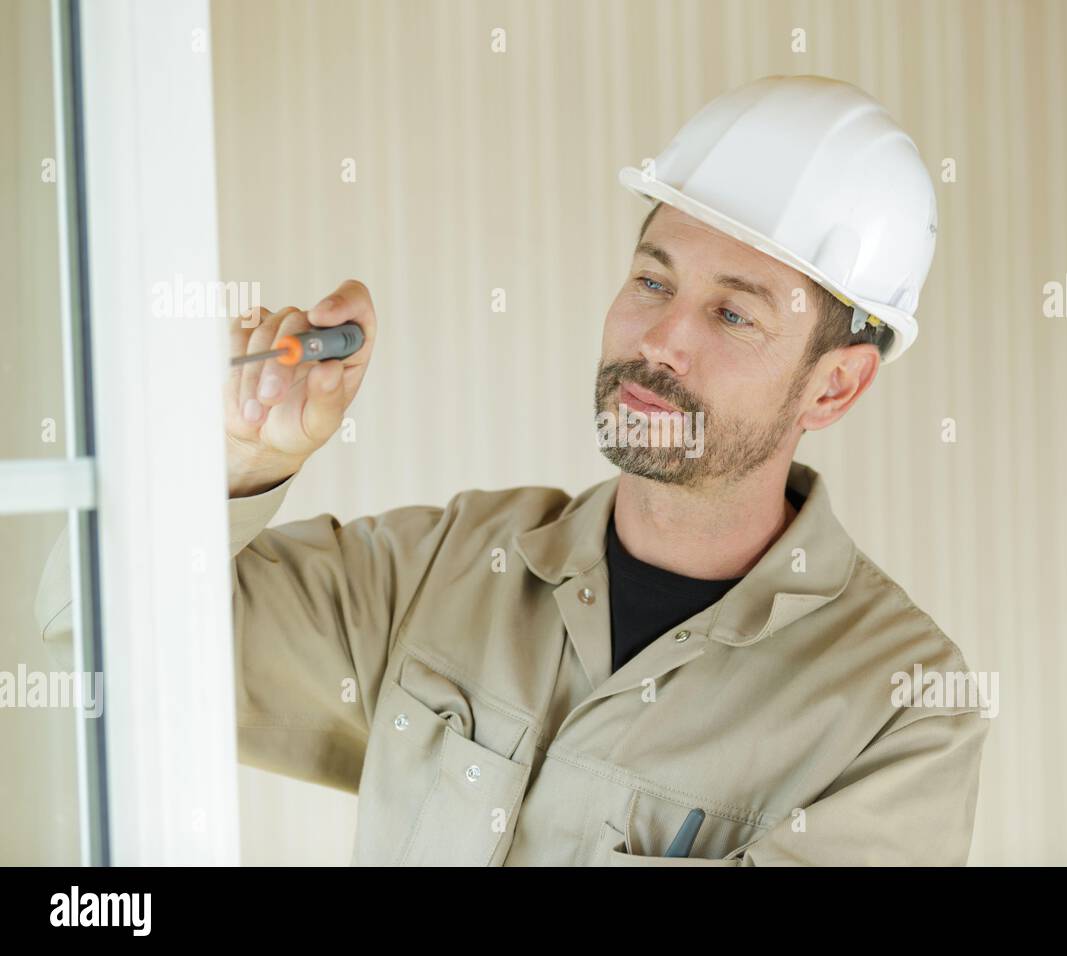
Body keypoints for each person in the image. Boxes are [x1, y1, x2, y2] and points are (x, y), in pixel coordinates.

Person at [38, 74, 989, 865]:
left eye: (733, 314)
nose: (660, 340)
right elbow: (89, 633)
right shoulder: (443, 568)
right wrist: (237, 463)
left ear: (833, 388)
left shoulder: (899, 711)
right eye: (652, 280)